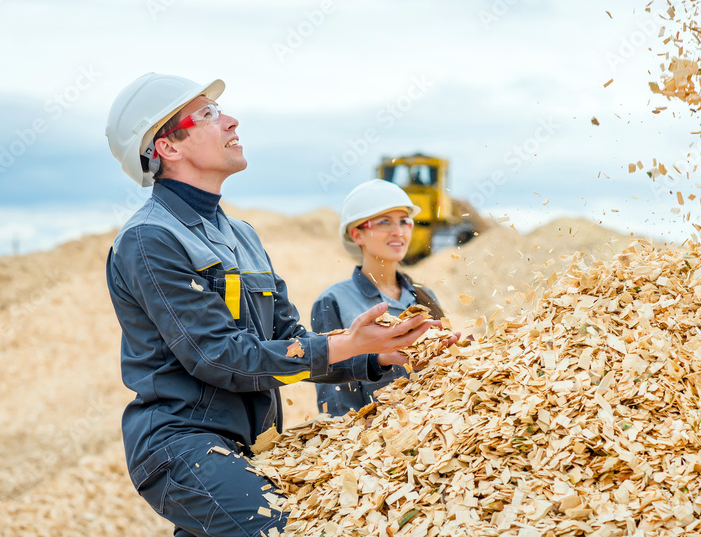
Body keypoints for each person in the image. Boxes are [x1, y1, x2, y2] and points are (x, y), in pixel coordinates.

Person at [103, 73, 452, 537]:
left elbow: (288, 343)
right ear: (167, 146)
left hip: (253, 444)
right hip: (186, 446)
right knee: (288, 528)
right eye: (207, 113)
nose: (230, 120)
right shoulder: (152, 239)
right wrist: (345, 342)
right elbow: (218, 356)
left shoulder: (242, 235)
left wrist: (374, 354)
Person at [312, 180, 447, 416]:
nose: (398, 231)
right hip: (373, 445)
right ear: (357, 234)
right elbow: (335, 398)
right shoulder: (334, 300)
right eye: (384, 222)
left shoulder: (424, 296)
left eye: (404, 222)